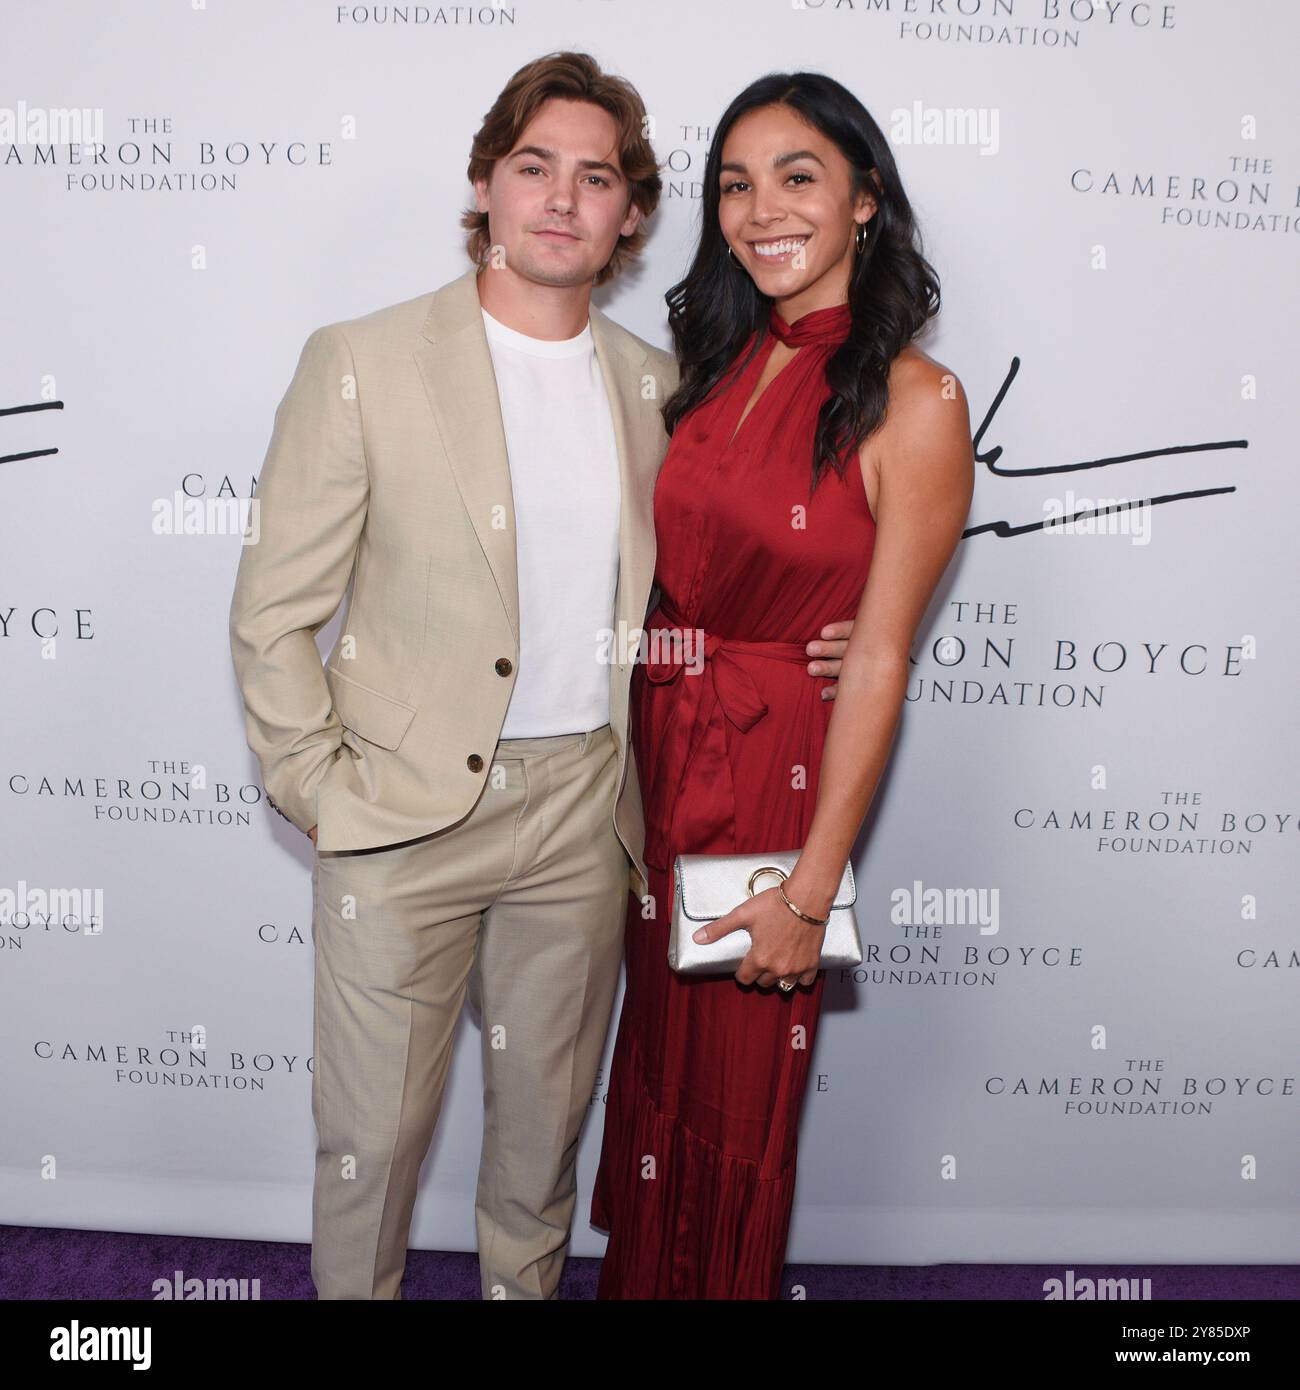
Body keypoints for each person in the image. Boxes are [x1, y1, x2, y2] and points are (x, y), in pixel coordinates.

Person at [228, 51, 855, 1301]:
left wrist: (812, 637)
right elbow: (272, 614)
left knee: (540, 1150)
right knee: (371, 1146)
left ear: (631, 214)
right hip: (398, 823)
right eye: (534, 168)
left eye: (597, 177)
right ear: (485, 184)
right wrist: (317, 787)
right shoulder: (360, 357)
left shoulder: (660, 389)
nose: (562, 200)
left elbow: (706, 590)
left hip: (581, 818)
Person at [591, 71, 975, 1299]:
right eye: (736, 185)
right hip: (665, 749)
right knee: (658, 1073)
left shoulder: (916, 401)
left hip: (772, 773)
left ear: (866, 199)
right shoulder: (717, 358)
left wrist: (809, 894)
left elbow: (874, 653)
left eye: (798, 176)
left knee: (732, 1099)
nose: (762, 210)